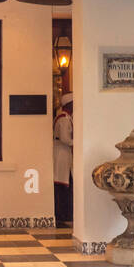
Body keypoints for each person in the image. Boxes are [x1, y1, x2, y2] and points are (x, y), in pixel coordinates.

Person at [53, 93, 74, 226]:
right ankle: (63, 214)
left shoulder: (67, 117)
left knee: (65, 182)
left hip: (64, 154)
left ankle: (66, 214)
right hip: (61, 154)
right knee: (63, 184)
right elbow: (65, 139)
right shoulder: (63, 119)